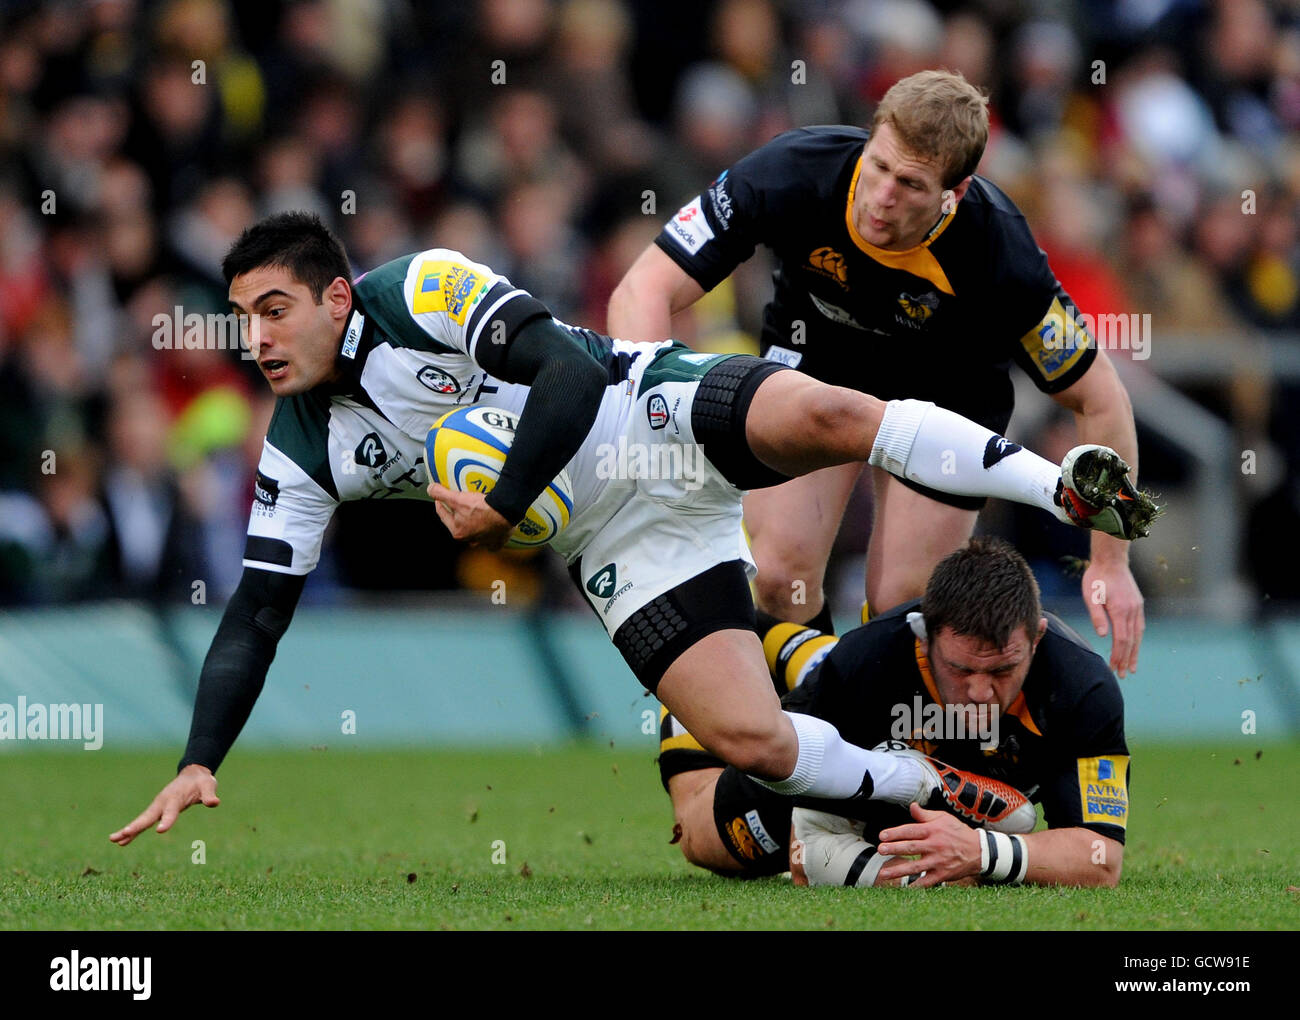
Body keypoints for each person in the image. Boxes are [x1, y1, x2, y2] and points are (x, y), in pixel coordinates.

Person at [109, 212, 1154, 848]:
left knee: (833, 415)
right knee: (752, 740)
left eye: (275, 309)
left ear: (337, 297)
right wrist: (204, 757)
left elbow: (565, 369)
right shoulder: (299, 452)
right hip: (614, 545)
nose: (256, 339)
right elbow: (255, 611)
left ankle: (1059, 484)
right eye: (243, 317)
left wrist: (504, 506)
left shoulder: (422, 287)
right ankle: (928, 787)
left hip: (640, 410)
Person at [608, 69, 1146, 678]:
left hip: (950, 387)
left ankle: (879, 748)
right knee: (780, 575)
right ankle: (805, 746)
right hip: (818, 353)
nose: (882, 196)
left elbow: (1103, 400)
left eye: (911, 184)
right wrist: (652, 440)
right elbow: (643, 289)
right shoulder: (792, 170)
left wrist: (1110, 561)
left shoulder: (1002, 256)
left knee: (902, 608)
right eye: (879, 166)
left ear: (955, 191)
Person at [659, 538, 1129, 888]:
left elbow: (1099, 858)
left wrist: (979, 852)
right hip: (847, 760)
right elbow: (810, 844)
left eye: (1005, 669)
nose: (982, 692)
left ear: (1037, 638)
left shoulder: (1083, 689)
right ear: (924, 639)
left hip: (930, 776)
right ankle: (693, 675)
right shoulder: (871, 660)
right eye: (961, 669)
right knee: (702, 836)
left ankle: (811, 661)